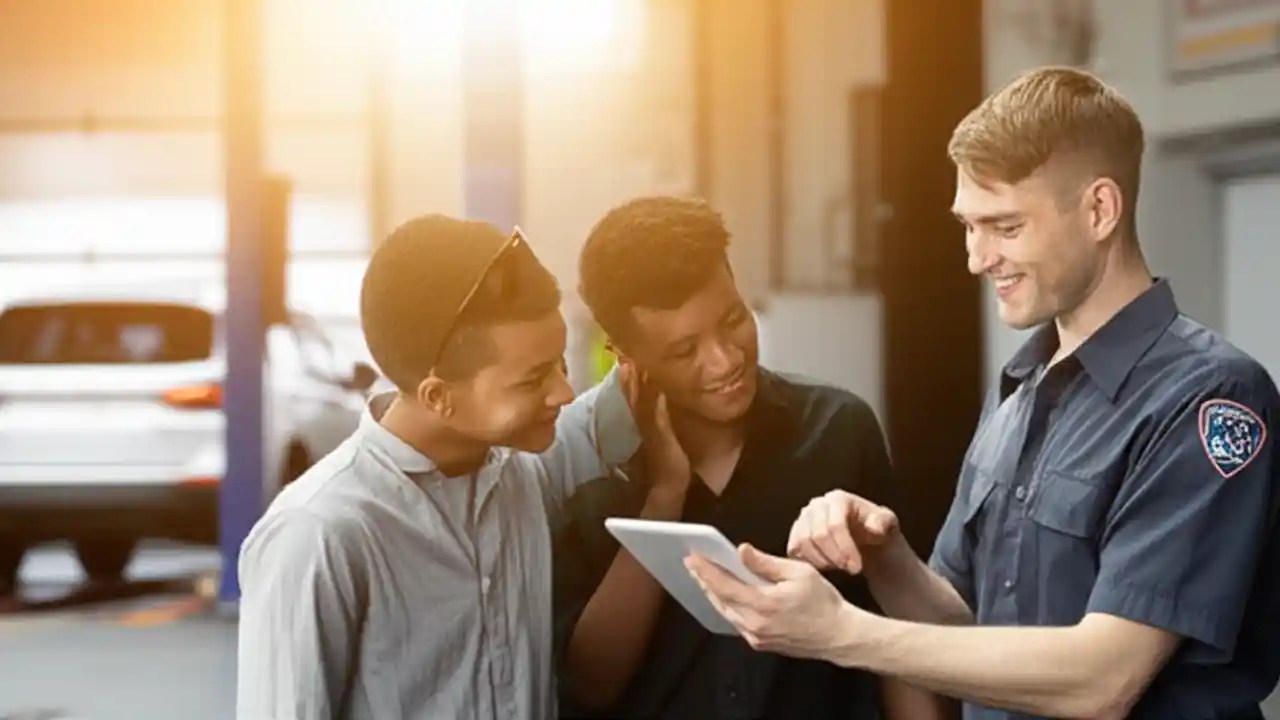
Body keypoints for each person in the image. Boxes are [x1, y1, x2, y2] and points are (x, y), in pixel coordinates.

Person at [686, 66, 1280, 720]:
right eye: (969, 226)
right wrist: (887, 560)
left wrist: (842, 634)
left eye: (1005, 227)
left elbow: (1106, 678)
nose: (976, 257)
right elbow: (971, 626)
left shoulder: (1207, 399)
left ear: (1099, 210)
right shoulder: (1022, 389)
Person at [235, 215, 649, 720]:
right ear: (439, 397)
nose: (563, 392)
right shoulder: (320, 534)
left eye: (560, 365)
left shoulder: (521, 478)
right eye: (534, 378)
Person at [552, 196, 951, 719]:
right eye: (683, 351)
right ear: (626, 357)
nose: (724, 360)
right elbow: (590, 683)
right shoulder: (586, 461)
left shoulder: (837, 429)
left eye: (734, 319)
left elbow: (900, 637)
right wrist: (665, 497)